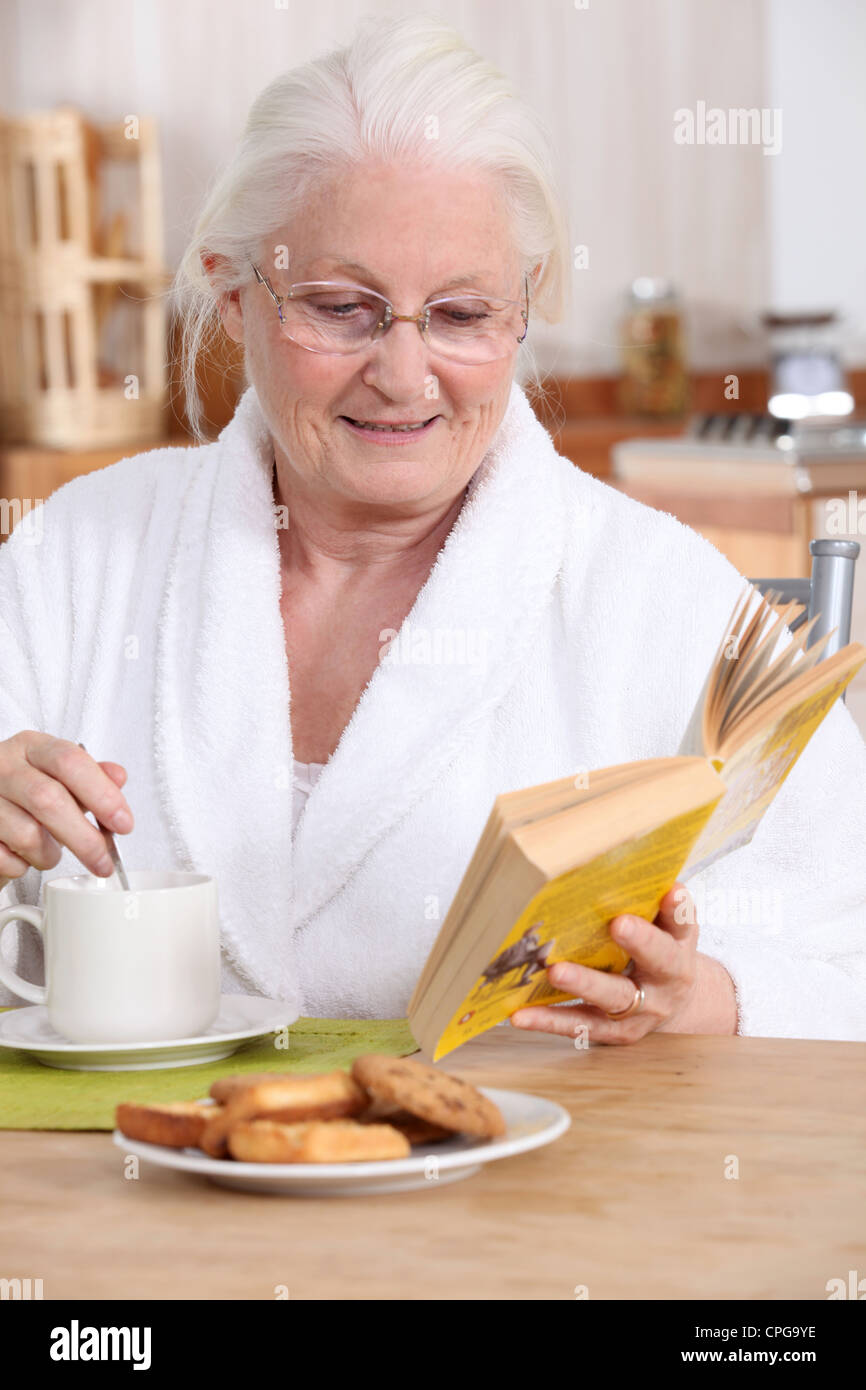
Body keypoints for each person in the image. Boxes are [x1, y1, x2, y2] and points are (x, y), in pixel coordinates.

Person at [1, 15, 865, 1042]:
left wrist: (706, 999)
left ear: (523, 311)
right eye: (339, 307)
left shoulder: (664, 597)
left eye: (459, 315)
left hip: (541, 1195)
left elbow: (839, 953)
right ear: (231, 294)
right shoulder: (74, 557)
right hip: (130, 1186)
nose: (403, 376)